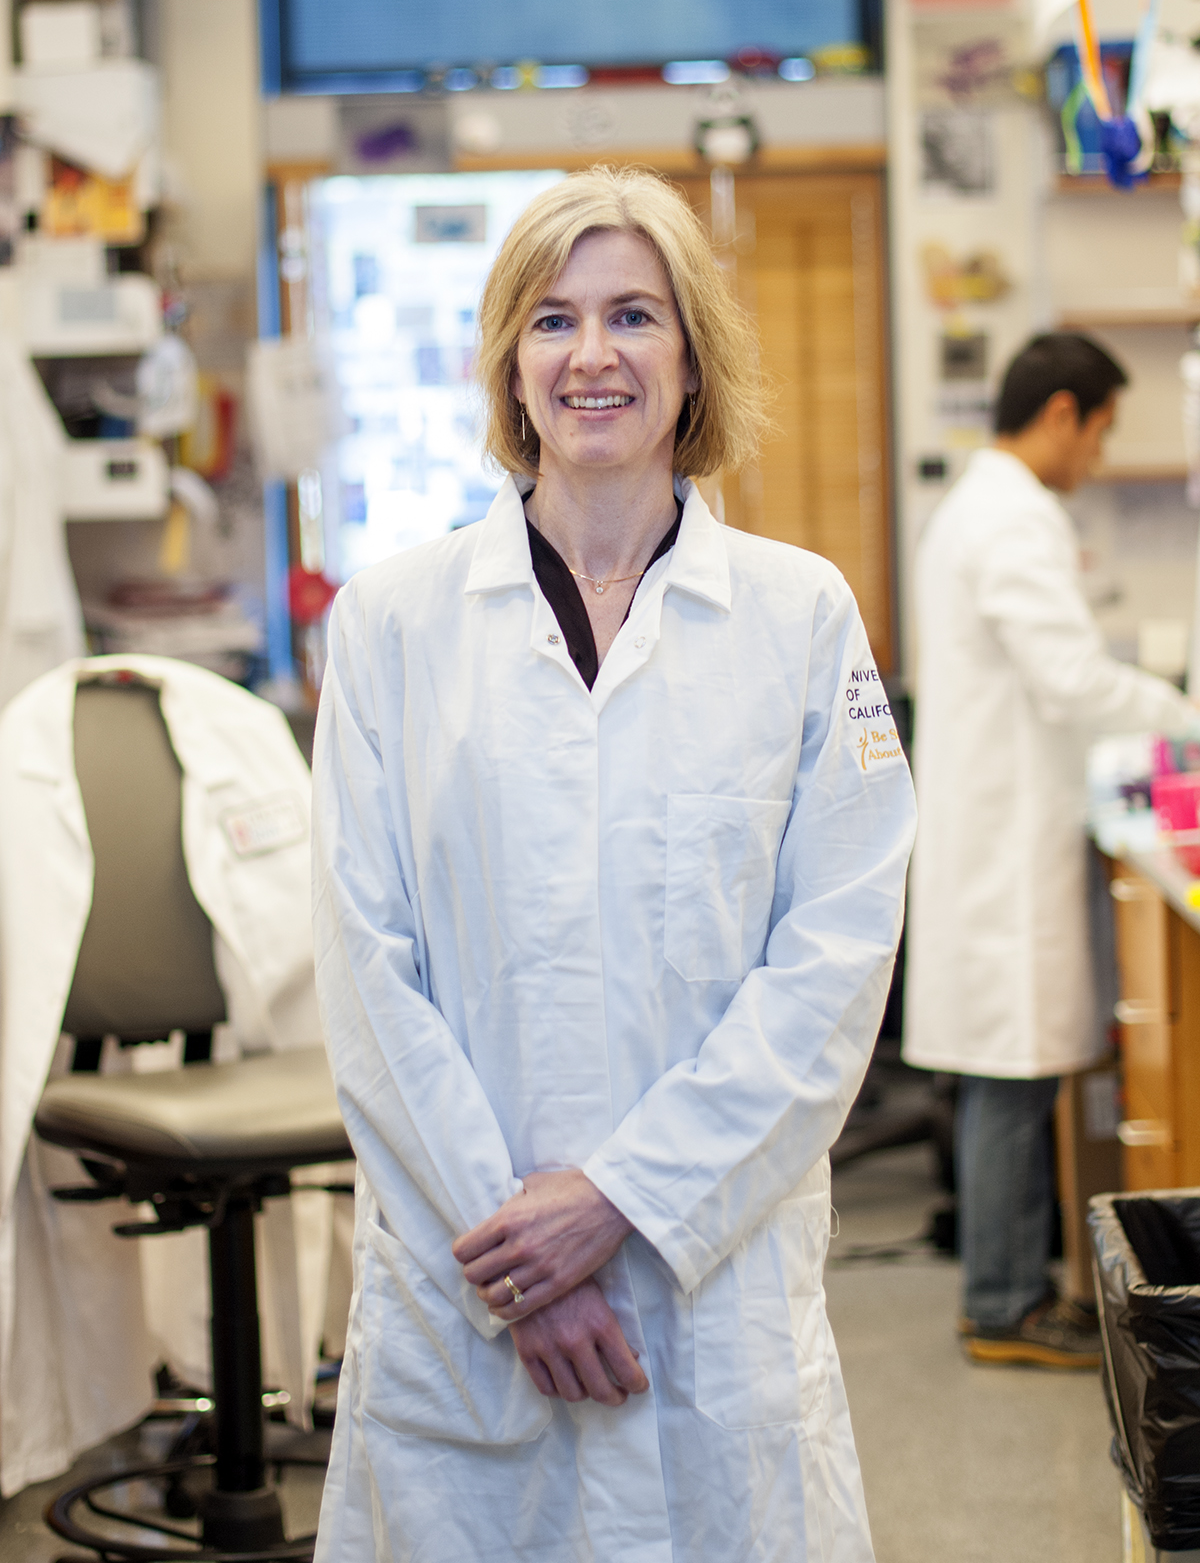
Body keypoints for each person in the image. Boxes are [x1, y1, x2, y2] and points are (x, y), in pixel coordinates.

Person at [312, 167, 916, 1563]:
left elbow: (831, 966)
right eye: (553, 320)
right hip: (474, 1299)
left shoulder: (797, 616)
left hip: (707, 1288)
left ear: (692, 356)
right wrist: (519, 1260)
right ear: (507, 365)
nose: (593, 356)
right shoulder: (397, 624)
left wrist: (623, 1203)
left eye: (634, 315)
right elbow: (365, 967)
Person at [903, 333, 1200, 1369]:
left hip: (995, 826)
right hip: (1000, 845)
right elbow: (1071, 680)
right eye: (1104, 432)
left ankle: (1008, 1290)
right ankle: (1001, 1303)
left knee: (1009, 1077)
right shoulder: (1012, 518)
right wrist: (1182, 711)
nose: (1100, 459)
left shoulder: (985, 510)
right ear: (1065, 412)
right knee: (1011, 1078)